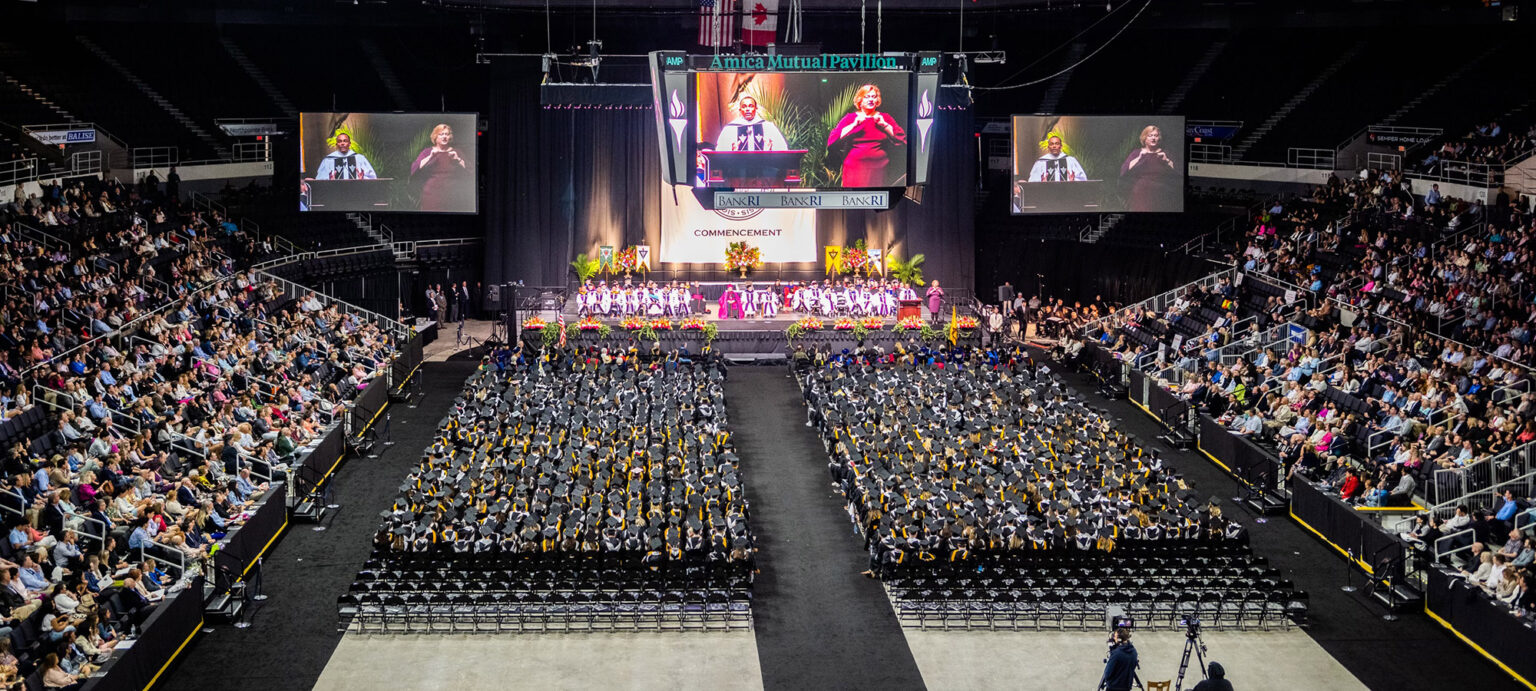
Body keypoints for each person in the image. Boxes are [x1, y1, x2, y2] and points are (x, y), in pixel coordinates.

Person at [826, 84, 906, 187]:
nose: (871, 100)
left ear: (877, 100)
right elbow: (833, 139)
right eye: (867, 97)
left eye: (874, 97)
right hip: (855, 168)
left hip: (879, 168)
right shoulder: (850, 118)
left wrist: (884, 125)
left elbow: (901, 138)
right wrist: (854, 124)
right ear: (860, 100)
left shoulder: (885, 117)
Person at [410, 123, 472, 212]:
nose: (444, 137)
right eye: (441, 134)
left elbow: (470, 170)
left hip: (452, 197)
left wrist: (458, 159)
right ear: (435, 137)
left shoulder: (456, 152)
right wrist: (430, 156)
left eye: (446, 134)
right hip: (431, 196)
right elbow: (415, 168)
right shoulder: (427, 152)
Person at [1119, 125, 1180, 211]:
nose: (1153, 138)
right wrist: (1139, 158)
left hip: (1161, 195)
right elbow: (1124, 170)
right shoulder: (1136, 153)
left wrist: (1167, 160)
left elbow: (1178, 173)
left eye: (1156, 135)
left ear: (1159, 138)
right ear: (1144, 138)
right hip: (1140, 195)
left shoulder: (1165, 153)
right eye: (1150, 135)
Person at [713, 96, 789, 152]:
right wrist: (732, 152)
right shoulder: (730, 129)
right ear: (740, 110)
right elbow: (720, 151)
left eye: (751, 106)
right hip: (738, 168)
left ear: (756, 108)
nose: (747, 109)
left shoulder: (768, 126)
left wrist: (769, 152)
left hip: (764, 166)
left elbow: (782, 148)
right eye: (744, 107)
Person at [313, 132, 378, 181]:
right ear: (336, 144)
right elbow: (319, 179)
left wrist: (362, 179)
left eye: (345, 141)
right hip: (335, 192)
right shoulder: (328, 160)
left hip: (357, 191)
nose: (342, 143)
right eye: (339, 141)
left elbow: (372, 177)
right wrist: (329, 180)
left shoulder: (359, 158)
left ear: (349, 144)